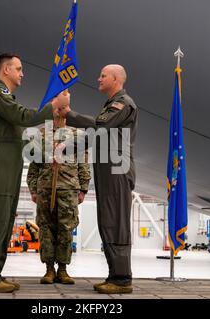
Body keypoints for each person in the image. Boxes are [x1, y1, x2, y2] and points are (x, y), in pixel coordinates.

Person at [0, 53, 70, 293]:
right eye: (18, 68)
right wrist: (53, 106)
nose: (22, 73)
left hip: (8, 162)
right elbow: (22, 116)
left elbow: (20, 121)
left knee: (5, 218)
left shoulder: (3, 97)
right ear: (5, 70)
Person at [57, 64, 138, 294]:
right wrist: (65, 149)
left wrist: (69, 114)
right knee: (108, 221)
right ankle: (115, 275)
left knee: (117, 223)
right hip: (107, 172)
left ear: (115, 79)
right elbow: (95, 136)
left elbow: (99, 125)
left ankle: (122, 279)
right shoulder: (109, 106)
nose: (98, 78)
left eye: (103, 75)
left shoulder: (123, 103)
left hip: (117, 171)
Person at [26, 113, 91, 285]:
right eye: (57, 109)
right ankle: (49, 269)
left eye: (63, 109)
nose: (59, 113)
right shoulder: (41, 134)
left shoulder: (77, 135)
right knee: (45, 229)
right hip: (45, 189)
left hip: (69, 189)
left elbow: (83, 163)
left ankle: (62, 269)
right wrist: (33, 189)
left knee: (66, 229)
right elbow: (34, 166)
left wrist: (83, 188)